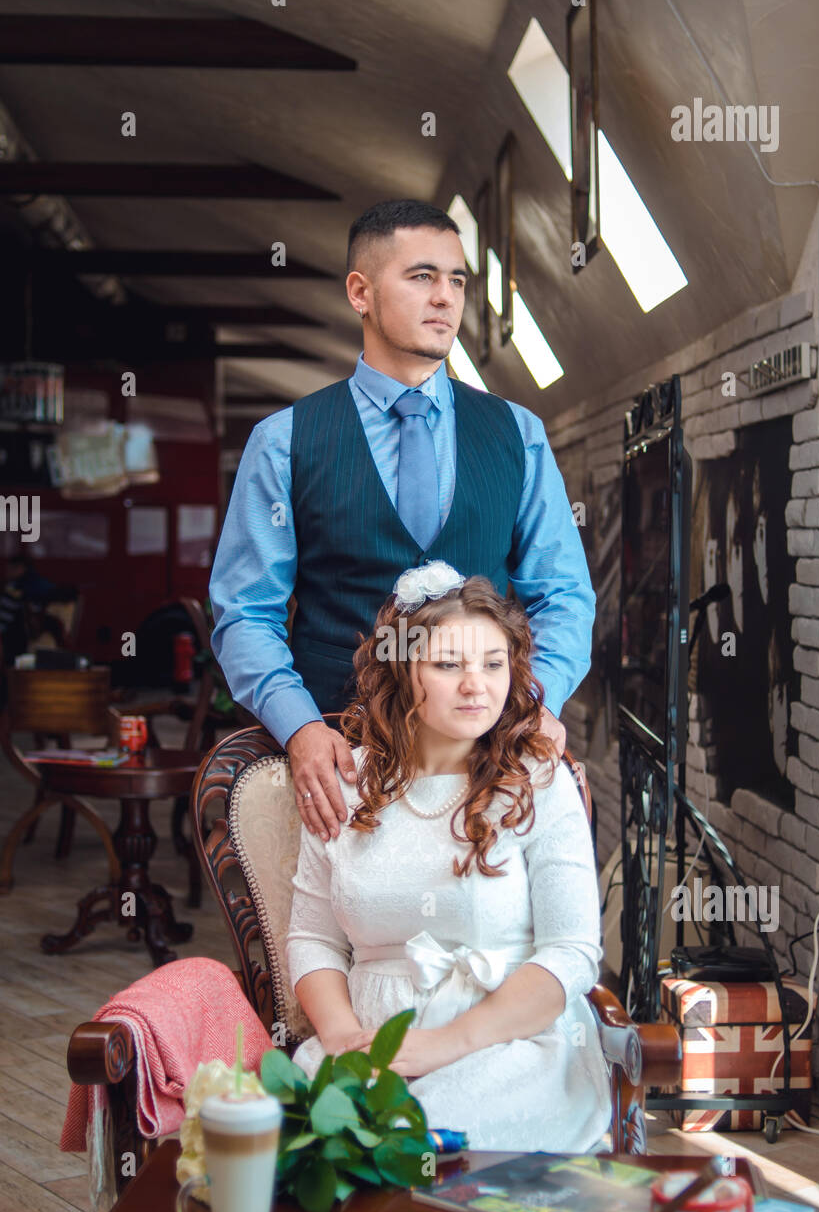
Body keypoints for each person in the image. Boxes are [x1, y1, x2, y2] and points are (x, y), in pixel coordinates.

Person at [209, 199, 595, 851]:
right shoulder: (284, 441)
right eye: (421, 277)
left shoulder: (517, 434)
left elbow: (564, 596)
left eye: (457, 280)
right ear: (360, 292)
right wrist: (300, 729)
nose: (445, 298)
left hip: (486, 756)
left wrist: (533, 701)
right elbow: (245, 613)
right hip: (341, 760)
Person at [284, 561, 612, 1154]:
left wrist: (442, 1046)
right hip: (366, 1044)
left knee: (416, 1144)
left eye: (493, 664)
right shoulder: (347, 782)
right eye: (448, 664)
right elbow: (313, 938)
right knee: (313, 1149)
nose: (476, 685)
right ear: (402, 671)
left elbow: (572, 952)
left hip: (508, 1048)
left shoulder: (537, 780)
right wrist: (343, 1042)